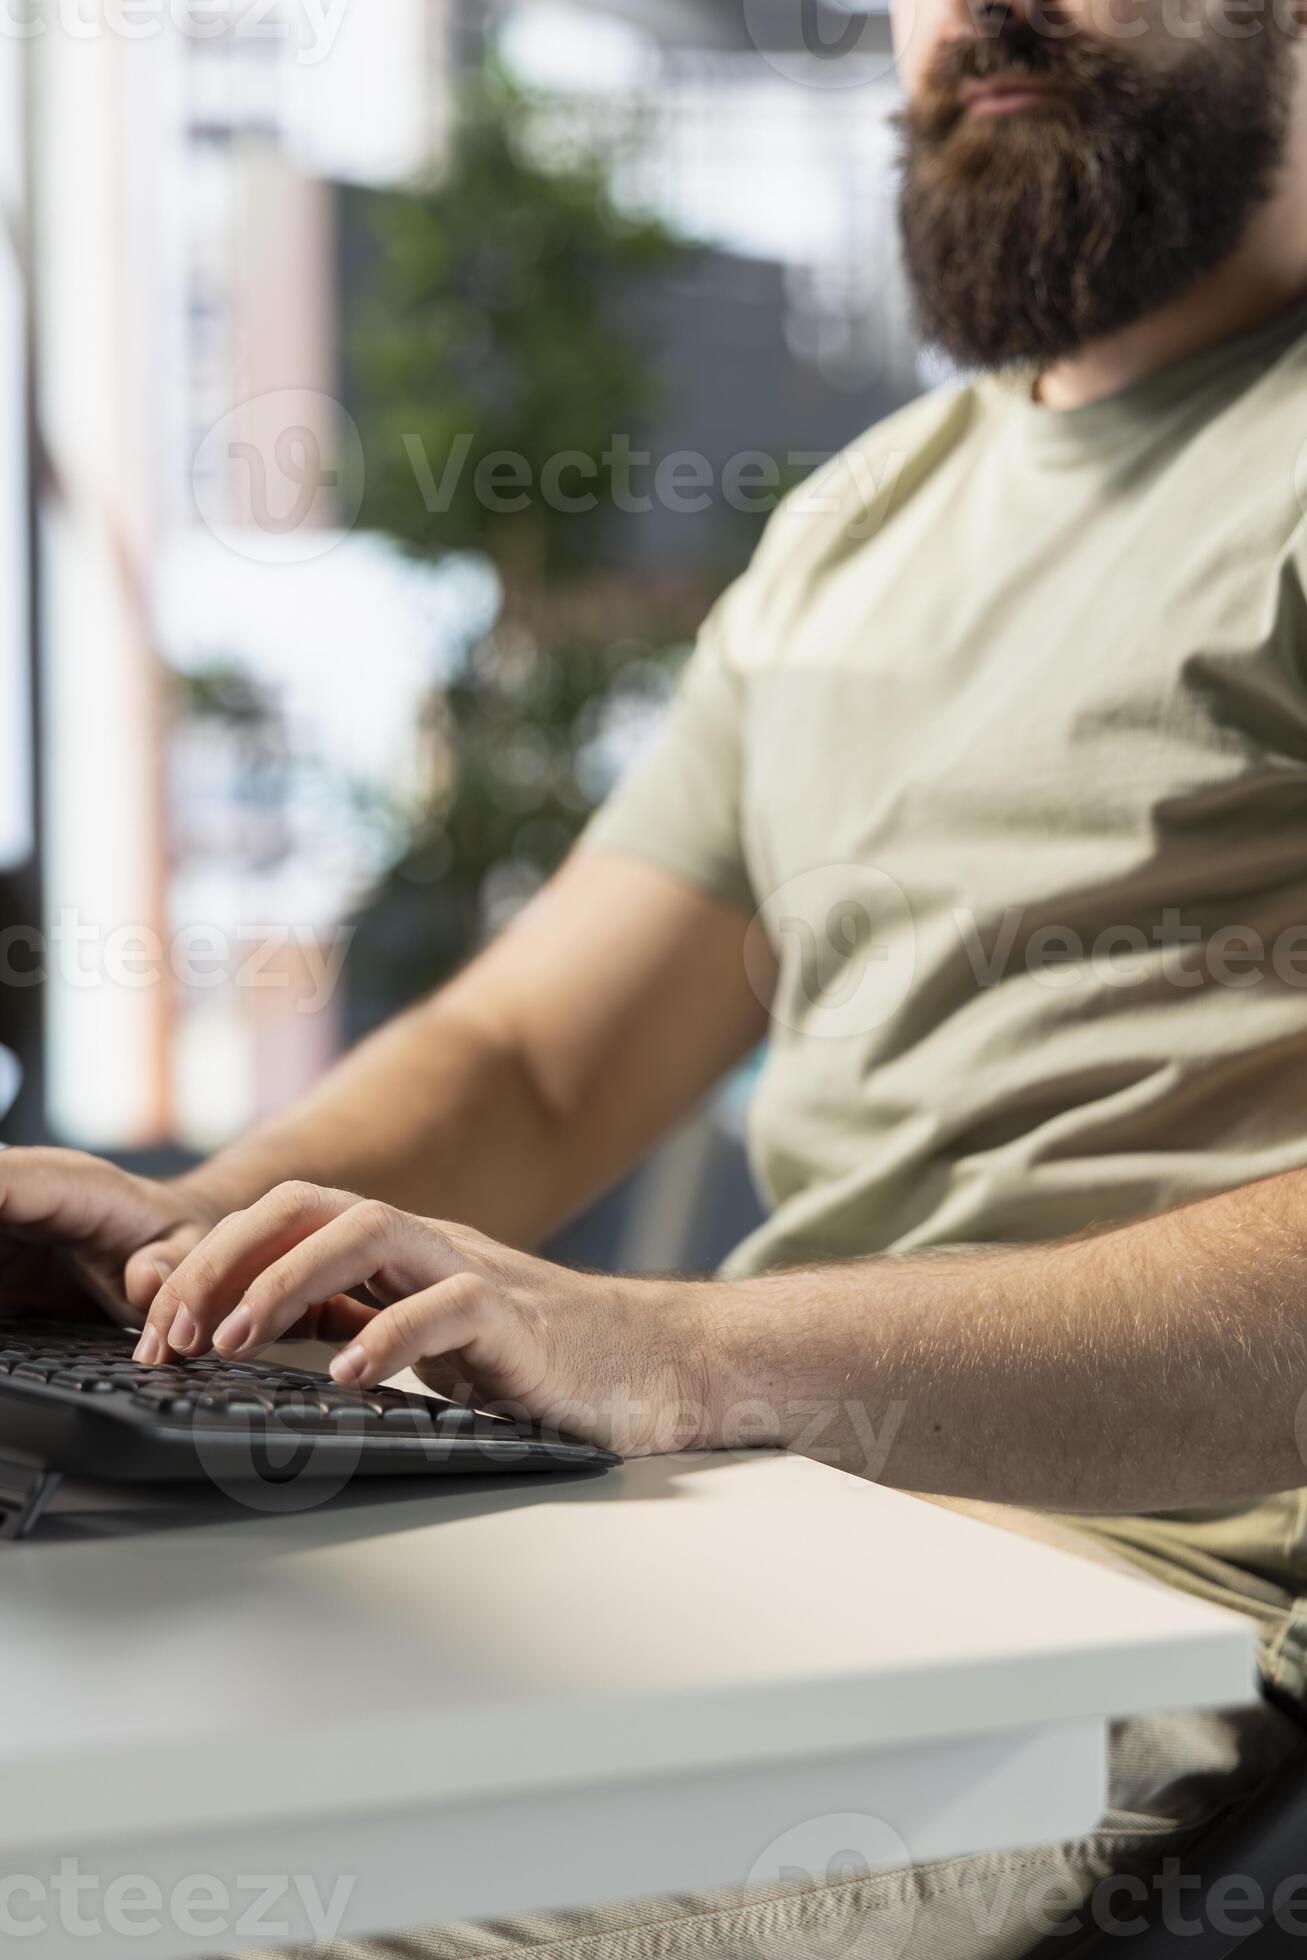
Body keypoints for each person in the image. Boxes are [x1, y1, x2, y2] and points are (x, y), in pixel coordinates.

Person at [8, 0, 1307, 1948]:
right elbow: (538, 1055)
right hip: (746, 1535)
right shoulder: (857, 530)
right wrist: (186, 1245)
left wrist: (681, 1350)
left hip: (1100, 1611)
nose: (982, 12)